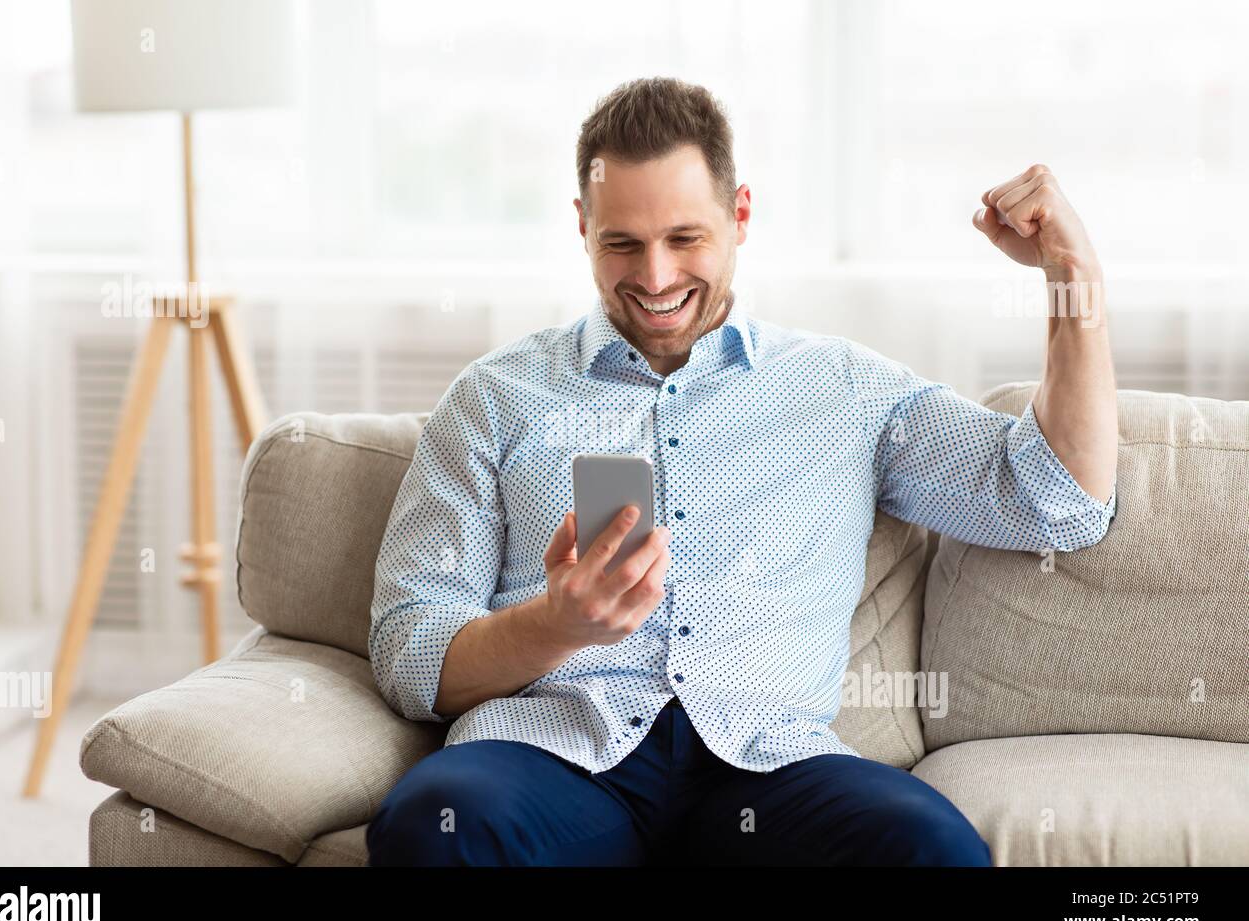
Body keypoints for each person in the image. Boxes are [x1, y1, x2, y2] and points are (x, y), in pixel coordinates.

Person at [366, 77, 1117, 866]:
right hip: (552, 759)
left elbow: (1057, 502)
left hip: (770, 770)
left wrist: (1073, 273)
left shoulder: (844, 391)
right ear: (583, 228)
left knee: (928, 847)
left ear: (740, 216)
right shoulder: (496, 397)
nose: (655, 278)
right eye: (622, 242)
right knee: (435, 821)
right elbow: (406, 650)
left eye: (685, 238)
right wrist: (555, 627)